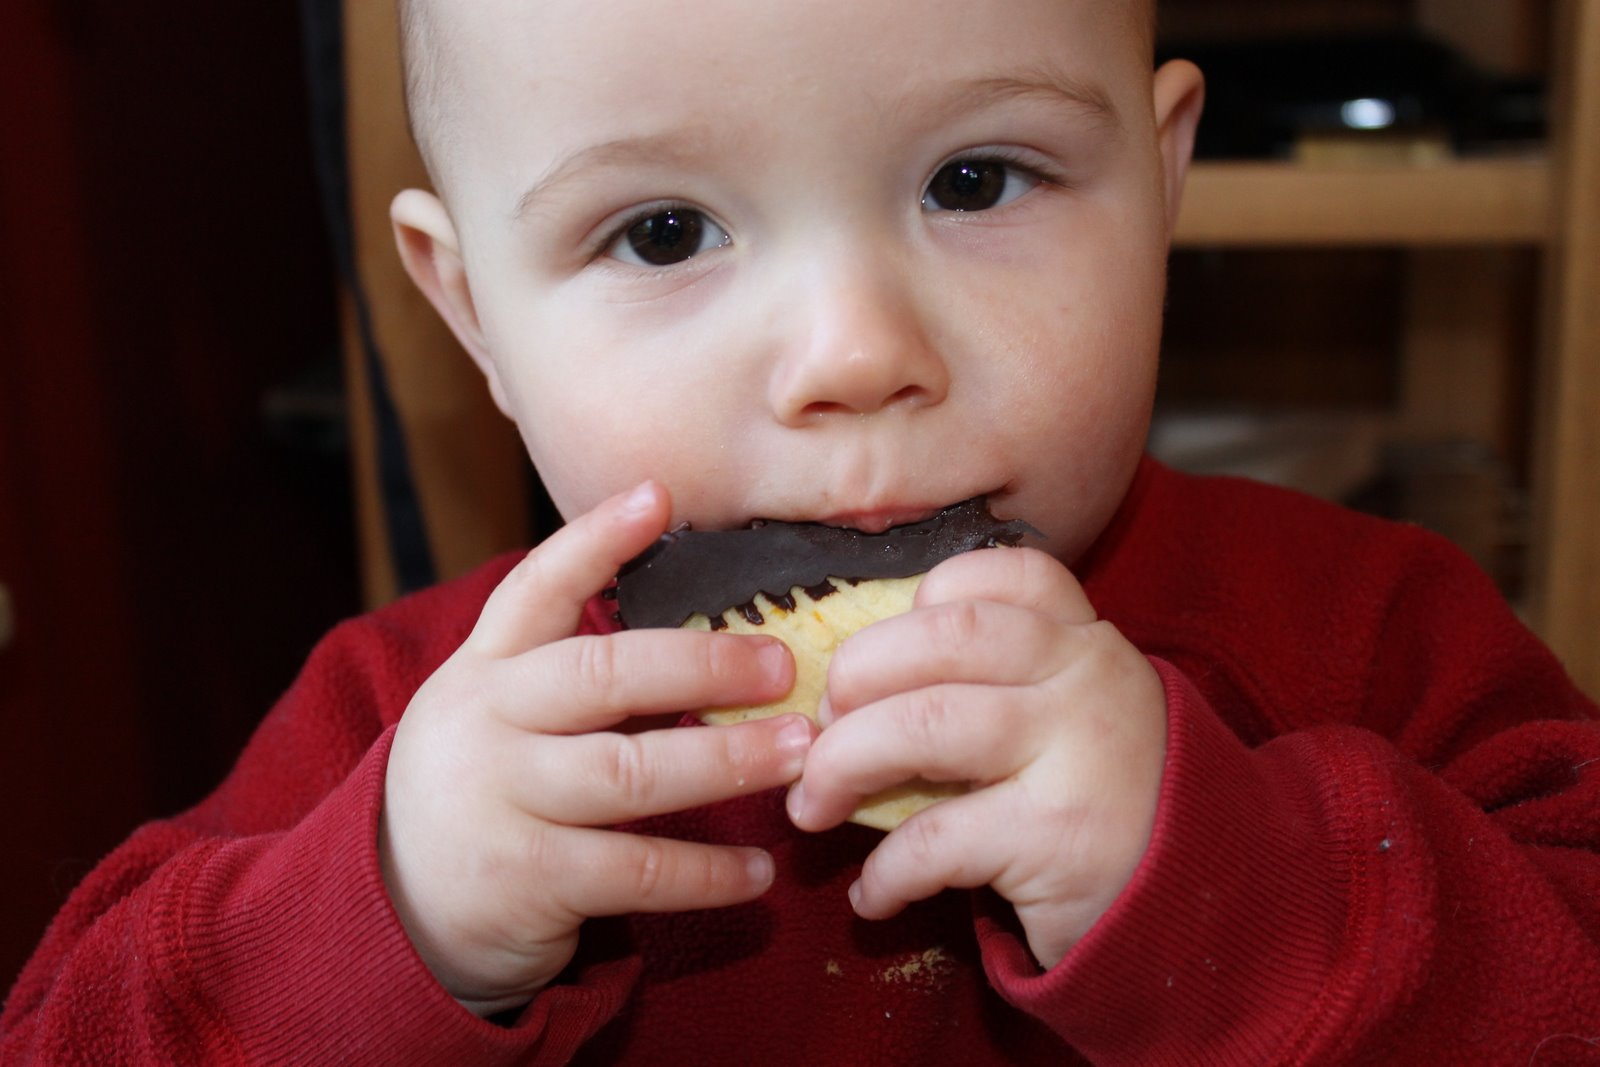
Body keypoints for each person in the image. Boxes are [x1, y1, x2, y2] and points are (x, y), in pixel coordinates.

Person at [6, 0, 1599, 1062]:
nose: (852, 352)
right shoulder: (418, 728)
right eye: (664, 229)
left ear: (1161, 185)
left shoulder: (1367, 632)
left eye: (978, 180)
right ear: (474, 313)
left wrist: (1241, 889)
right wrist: (392, 920)